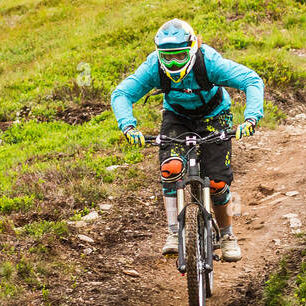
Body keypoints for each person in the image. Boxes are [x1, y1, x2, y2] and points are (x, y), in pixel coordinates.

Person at [110, 18, 264, 261]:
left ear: (192, 49)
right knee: (171, 169)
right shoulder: (154, 67)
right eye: (166, 57)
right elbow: (122, 93)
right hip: (177, 118)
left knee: (216, 183)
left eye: (180, 56)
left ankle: (227, 235)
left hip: (215, 116)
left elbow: (251, 80)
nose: (172, 63)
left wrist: (251, 119)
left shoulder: (209, 62)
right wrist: (128, 126)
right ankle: (173, 232)